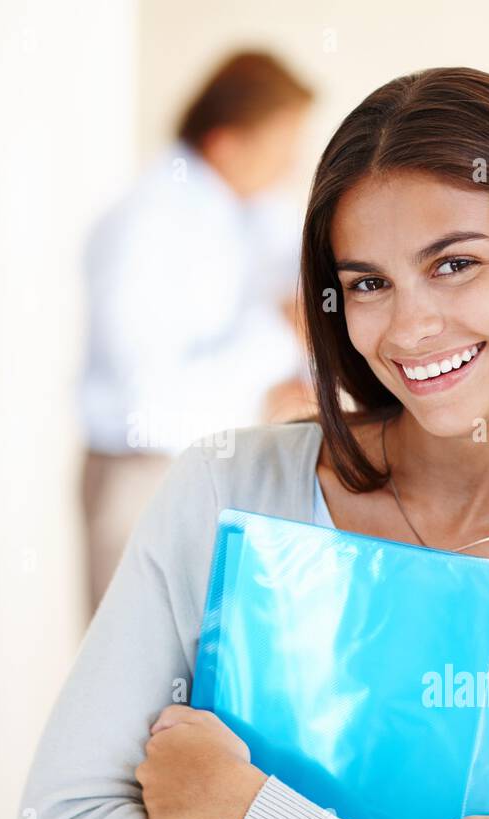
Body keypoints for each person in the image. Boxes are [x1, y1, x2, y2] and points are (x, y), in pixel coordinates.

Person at [15, 67, 489, 819]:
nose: (410, 328)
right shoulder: (224, 488)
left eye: (454, 265)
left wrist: (242, 808)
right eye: (369, 283)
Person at [79, 51, 315, 616]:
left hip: (213, 466)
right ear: (225, 143)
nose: (288, 166)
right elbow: (154, 403)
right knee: (139, 676)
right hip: (144, 477)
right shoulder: (148, 226)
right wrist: (282, 332)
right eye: (280, 146)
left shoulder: (246, 215)